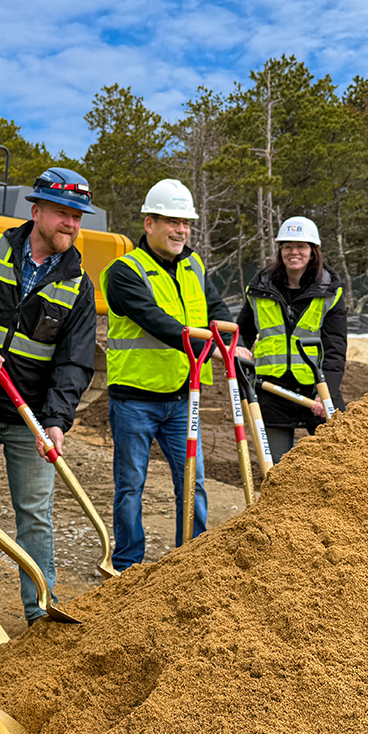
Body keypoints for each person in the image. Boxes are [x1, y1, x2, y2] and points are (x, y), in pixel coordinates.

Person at [0, 167, 97, 624]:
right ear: (36, 212)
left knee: (35, 515)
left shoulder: (79, 286)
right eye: (62, 214)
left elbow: (74, 362)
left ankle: (41, 608)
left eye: (77, 216)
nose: (71, 224)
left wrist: (56, 419)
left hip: (28, 418)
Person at [101, 179, 244, 572]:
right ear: (149, 223)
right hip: (135, 399)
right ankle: (129, 564)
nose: (181, 230)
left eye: (186, 223)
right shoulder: (125, 271)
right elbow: (154, 320)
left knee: (193, 483)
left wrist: (230, 335)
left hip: (184, 397)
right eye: (172, 222)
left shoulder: (194, 265)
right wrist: (205, 345)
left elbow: (216, 307)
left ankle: (190, 559)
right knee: (130, 487)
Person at [236, 216, 346, 463]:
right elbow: (240, 330)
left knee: (333, 464)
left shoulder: (330, 292)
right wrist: (242, 351)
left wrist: (325, 393)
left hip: (316, 388)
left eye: (301, 246)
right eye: (287, 246)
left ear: (313, 251)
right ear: (280, 250)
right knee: (275, 468)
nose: (293, 252)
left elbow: (336, 347)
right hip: (271, 389)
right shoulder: (260, 288)